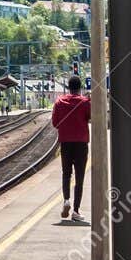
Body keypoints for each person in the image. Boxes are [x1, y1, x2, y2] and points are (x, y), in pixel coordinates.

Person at [50, 74, 91, 221]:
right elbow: (91, 117)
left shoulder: (60, 102)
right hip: (81, 143)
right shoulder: (85, 102)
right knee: (79, 177)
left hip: (66, 143)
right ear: (79, 88)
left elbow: (55, 123)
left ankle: (66, 199)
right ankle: (76, 211)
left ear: (68, 87)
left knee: (66, 174)